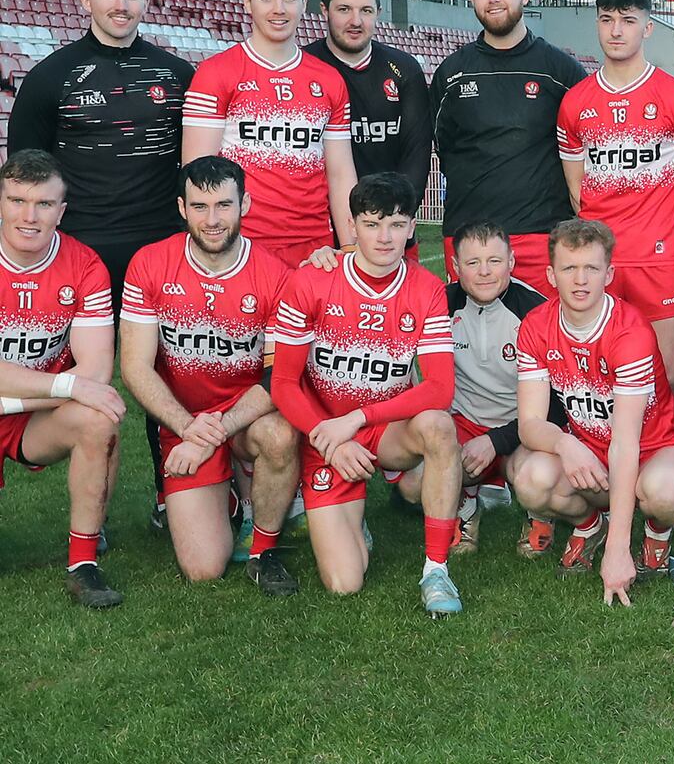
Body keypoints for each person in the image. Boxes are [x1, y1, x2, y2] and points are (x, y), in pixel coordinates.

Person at [7, 0, 195, 521]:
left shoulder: (174, 74)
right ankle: (97, 515)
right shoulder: (50, 77)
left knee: (165, 376)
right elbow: (26, 173)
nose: (121, 5)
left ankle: (173, 495)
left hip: (159, 252)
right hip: (82, 257)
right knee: (86, 382)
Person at [269, 173, 463, 617]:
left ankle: (436, 569)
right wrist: (328, 438)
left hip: (382, 429)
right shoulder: (312, 280)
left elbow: (439, 387)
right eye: (372, 224)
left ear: (413, 228)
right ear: (351, 226)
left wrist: (356, 421)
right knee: (344, 583)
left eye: (396, 224)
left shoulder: (426, 287)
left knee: (438, 425)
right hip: (327, 437)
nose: (385, 236)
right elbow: (283, 383)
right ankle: (357, 514)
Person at [118, 156, 298, 595]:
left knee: (279, 434)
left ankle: (263, 548)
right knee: (203, 568)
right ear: (182, 208)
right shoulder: (148, 264)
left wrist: (212, 434)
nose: (212, 219)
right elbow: (134, 366)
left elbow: (281, 380)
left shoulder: (276, 275)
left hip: (244, 418)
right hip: (185, 420)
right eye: (200, 206)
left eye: (223, 205)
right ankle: (235, 498)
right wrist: (186, 429)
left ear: (245, 204)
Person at [512, 219, 674, 607]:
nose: (580, 280)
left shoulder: (630, 331)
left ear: (608, 273)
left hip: (651, 448)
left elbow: (627, 441)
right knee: (530, 477)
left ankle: (656, 532)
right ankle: (589, 526)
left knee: (664, 492)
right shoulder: (535, 326)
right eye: (569, 268)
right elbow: (529, 425)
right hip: (591, 450)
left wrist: (619, 551)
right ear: (551, 274)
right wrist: (565, 443)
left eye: (592, 268)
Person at [556, 0, 674, 426]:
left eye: (628, 21)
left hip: (658, 261)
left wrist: (664, 234)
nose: (616, 31)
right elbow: (577, 189)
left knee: (669, 373)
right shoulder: (575, 103)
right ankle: (611, 458)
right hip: (598, 259)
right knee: (601, 370)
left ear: (648, 27)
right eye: (607, 20)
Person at [393, 221, 560, 557]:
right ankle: (466, 505)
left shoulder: (537, 311)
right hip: (465, 427)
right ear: (454, 268)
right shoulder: (439, 304)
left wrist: (497, 440)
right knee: (412, 485)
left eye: (494, 261)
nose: (484, 272)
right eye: (472, 263)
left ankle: (540, 513)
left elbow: (556, 405)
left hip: (523, 429)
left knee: (535, 480)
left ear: (511, 262)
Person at [0, 150, 123, 606]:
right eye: (16, 200)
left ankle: (83, 563)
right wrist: (66, 386)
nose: (29, 216)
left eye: (44, 204)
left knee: (98, 416)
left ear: (62, 210)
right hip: (46, 398)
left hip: (33, 415)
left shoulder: (85, 265)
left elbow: (94, 372)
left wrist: (16, 401)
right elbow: (78, 381)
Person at [182, 0, 357, 268]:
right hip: (239, 246)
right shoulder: (215, 73)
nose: (279, 9)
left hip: (315, 251)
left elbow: (341, 172)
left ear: (303, 4)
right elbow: (197, 173)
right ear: (247, 3)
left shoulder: (330, 80)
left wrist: (349, 248)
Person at [429, 0, 588, 292]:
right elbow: (444, 147)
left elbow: (582, 148)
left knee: (543, 342)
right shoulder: (452, 73)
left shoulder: (561, 71)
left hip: (543, 235)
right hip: (469, 235)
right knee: (470, 343)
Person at [303, 0, 430, 250]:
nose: (355, 21)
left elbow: (416, 153)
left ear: (379, 14)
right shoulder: (305, 67)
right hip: (322, 234)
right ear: (324, 10)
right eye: (344, 9)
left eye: (366, 11)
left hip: (389, 229)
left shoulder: (404, 69)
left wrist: (393, 219)